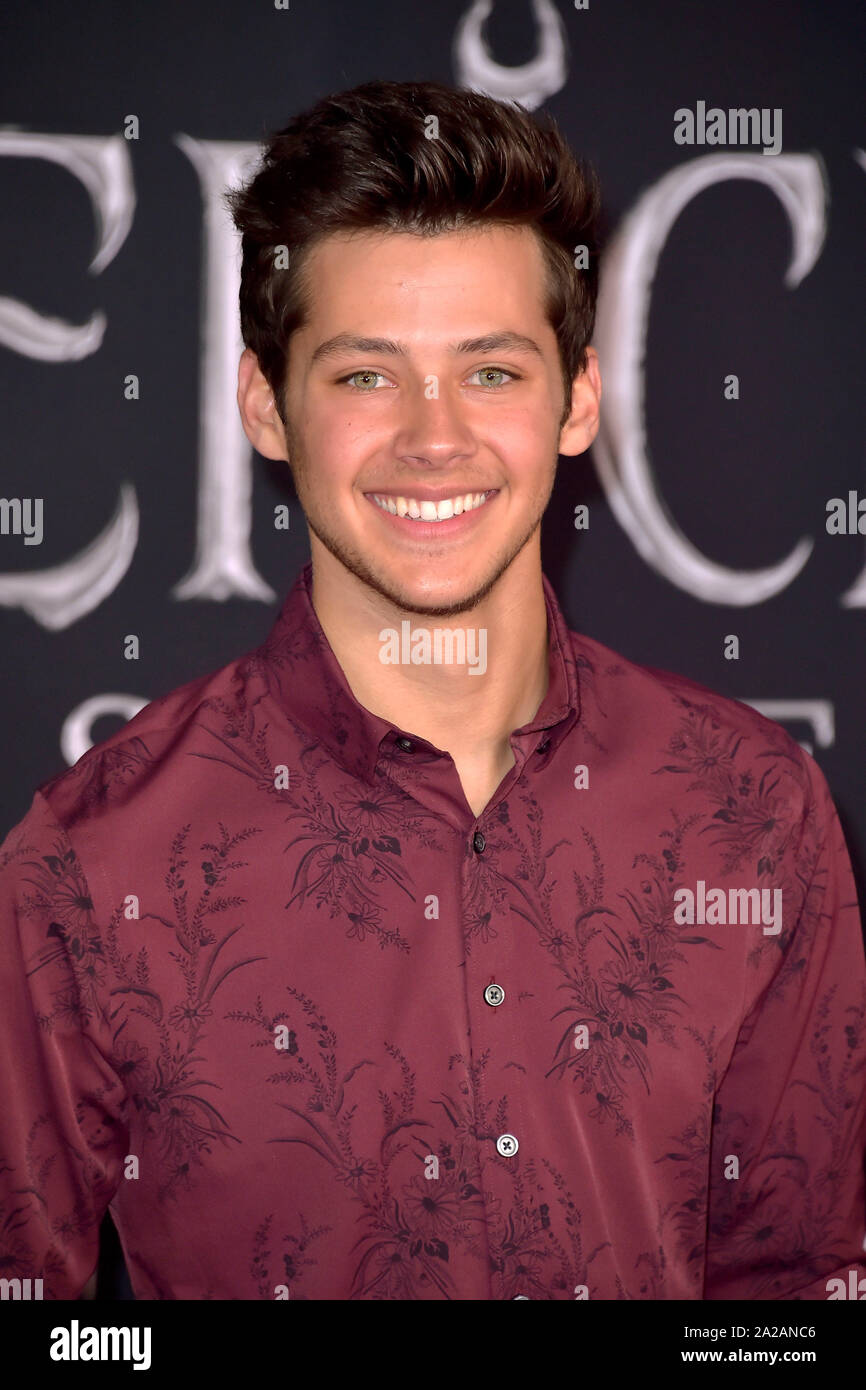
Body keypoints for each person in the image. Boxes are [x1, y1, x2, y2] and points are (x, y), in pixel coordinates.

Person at [1, 79, 863, 1302]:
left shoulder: (754, 811)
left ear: (574, 402)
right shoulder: (87, 863)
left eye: (492, 372)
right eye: (364, 376)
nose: (432, 437)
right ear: (265, 403)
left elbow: (794, 1295)